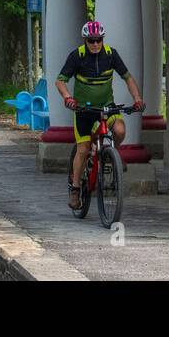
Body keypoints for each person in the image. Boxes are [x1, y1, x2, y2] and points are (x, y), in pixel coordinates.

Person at [55, 20, 144, 211]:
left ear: (103, 39)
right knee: (83, 149)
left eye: (98, 40)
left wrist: (137, 98)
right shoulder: (77, 56)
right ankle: (76, 188)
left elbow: (127, 77)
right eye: (91, 41)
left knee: (119, 130)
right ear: (85, 40)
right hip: (84, 111)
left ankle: (111, 155)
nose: (95, 44)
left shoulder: (111, 55)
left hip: (106, 106)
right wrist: (67, 97)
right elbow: (60, 81)